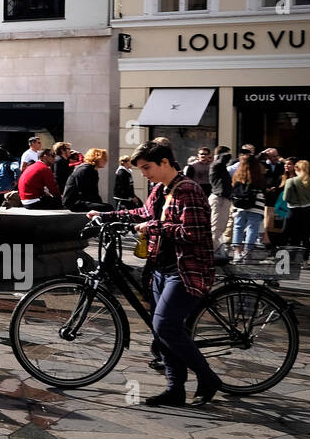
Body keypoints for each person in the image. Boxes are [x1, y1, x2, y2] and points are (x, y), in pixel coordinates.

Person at [92, 140, 222, 407]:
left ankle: (208, 377)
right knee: (161, 329)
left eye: (147, 167)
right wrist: (106, 216)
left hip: (187, 270)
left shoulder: (188, 190)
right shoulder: (161, 189)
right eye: (140, 169)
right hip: (160, 269)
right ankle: (175, 390)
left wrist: (154, 227)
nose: (144, 173)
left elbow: (194, 234)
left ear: (165, 162)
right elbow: (143, 213)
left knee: (165, 325)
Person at [229, 154, 267, 263]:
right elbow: (263, 189)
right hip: (256, 204)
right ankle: (247, 252)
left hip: (239, 204)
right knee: (252, 228)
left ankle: (237, 252)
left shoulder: (238, 175)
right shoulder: (258, 176)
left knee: (238, 227)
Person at [281, 159, 310, 263]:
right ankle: (305, 260)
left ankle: (289, 258)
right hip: (307, 210)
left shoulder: (291, 181)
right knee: (305, 236)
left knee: (289, 235)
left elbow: (285, 198)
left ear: (296, 169)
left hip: (292, 210)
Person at [63, 148, 109, 214]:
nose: (106, 161)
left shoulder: (91, 170)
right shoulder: (85, 170)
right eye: (104, 159)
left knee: (106, 207)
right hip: (74, 203)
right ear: (96, 158)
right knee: (107, 208)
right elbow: (85, 191)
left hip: (81, 201)